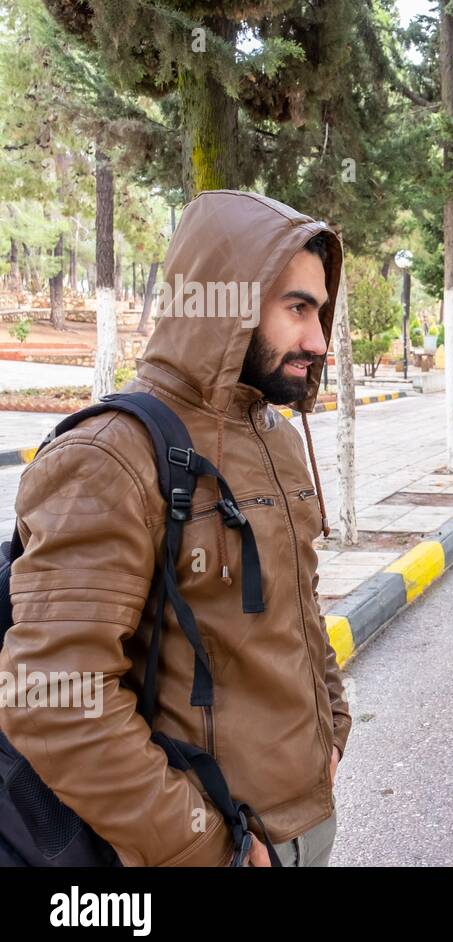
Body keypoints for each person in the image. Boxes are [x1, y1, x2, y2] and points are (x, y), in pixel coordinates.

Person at [0, 190, 351, 866]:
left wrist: (334, 729)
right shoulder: (107, 456)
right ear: (227, 303)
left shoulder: (273, 435)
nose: (318, 339)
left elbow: (300, 606)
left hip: (305, 823)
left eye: (321, 311)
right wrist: (206, 844)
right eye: (298, 309)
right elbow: (53, 699)